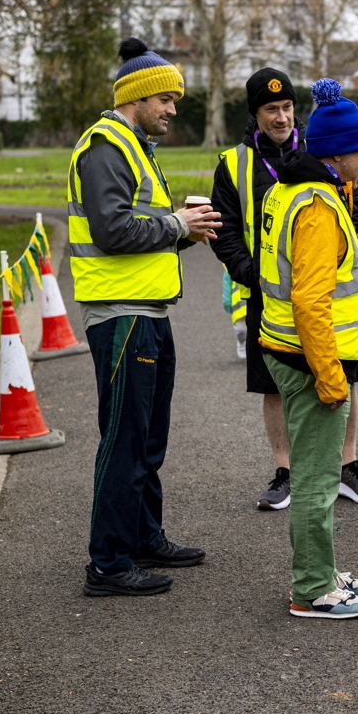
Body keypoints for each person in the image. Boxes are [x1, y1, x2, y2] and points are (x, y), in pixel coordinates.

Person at [67, 37, 220, 597]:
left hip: (147, 311)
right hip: (122, 315)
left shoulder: (133, 146)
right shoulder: (106, 146)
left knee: (148, 438)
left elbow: (141, 230)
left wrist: (186, 228)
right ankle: (108, 562)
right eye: (168, 99)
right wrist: (178, 226)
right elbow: (110, 231)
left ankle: (143, 535)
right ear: (140, 97)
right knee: (125, 440)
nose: (174, 110)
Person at [210, 68, 358, 512]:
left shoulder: (323, 147)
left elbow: (353, 211)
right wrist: (254, 274)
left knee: (344, 376)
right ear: (255, 114)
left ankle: (348, 465)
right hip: (265, 295)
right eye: (272, 110)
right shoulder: (233, 163)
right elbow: (225, 229)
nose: (282, 117)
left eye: (287, 107)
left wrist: (339, 259)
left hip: (324, 293)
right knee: (274, 385)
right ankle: (286, 471)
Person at [259, 78, 358, 618]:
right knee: (315, 477)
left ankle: (322, 570)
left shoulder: (298, 188)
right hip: (308, 359)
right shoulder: (317, 207)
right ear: (337, 153)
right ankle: (312, 589)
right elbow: (311, 300)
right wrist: (330, 374)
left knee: (317, 472)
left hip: (291, 350)